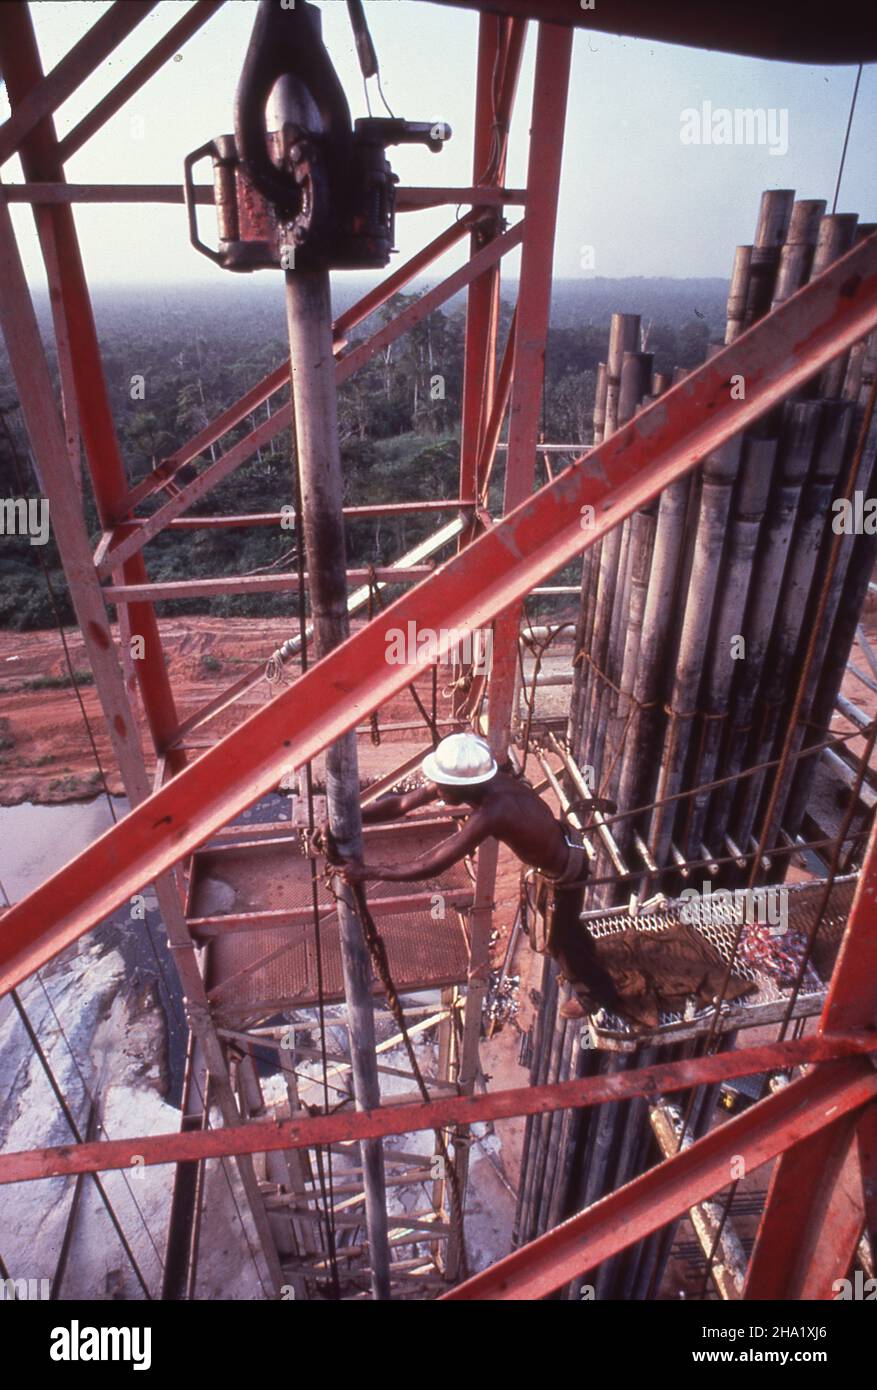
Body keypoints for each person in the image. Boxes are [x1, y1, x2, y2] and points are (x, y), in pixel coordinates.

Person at [332, 731, 622, 1021]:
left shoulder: (494, 812)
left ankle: (597, 996)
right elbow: (401, 804)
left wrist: (367, 872)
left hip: (565, 870)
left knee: (559, 939)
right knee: (567, 929)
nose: (436, 789)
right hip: (561, 847)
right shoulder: (483, 782)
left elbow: (432, 864)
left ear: (462, 786)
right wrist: (347, 818)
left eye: (442, 785)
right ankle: (588, 954)